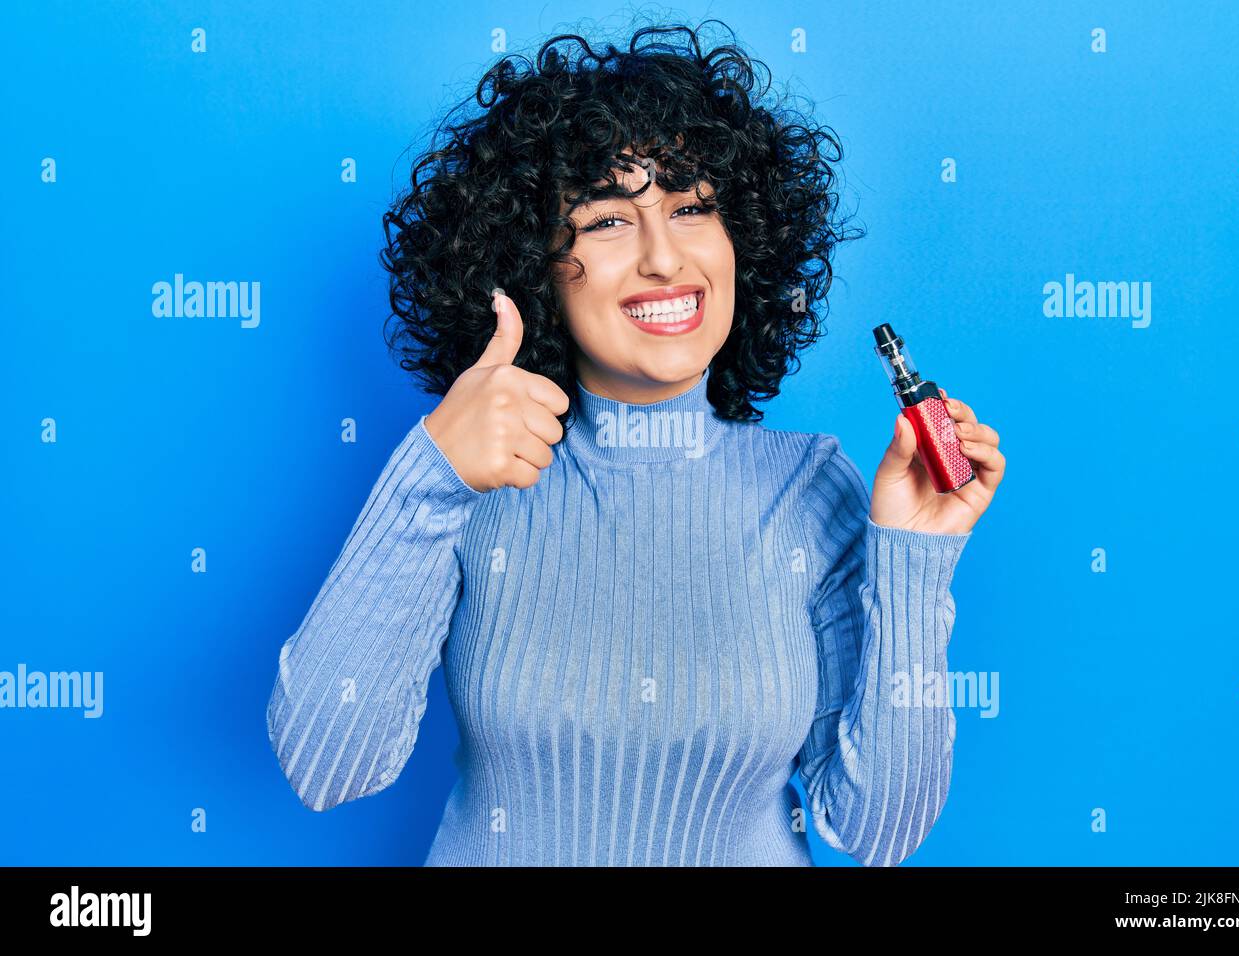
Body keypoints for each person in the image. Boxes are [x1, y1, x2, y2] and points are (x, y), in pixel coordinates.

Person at [265, 21, 1005, 866]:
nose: (664, 256)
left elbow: (881, 833)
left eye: (692, 208)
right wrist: (430, 478)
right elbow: (325, 766)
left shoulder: (807, 486)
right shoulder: (471, 478)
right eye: (609, 219)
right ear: (530, 264)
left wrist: (912, 560)